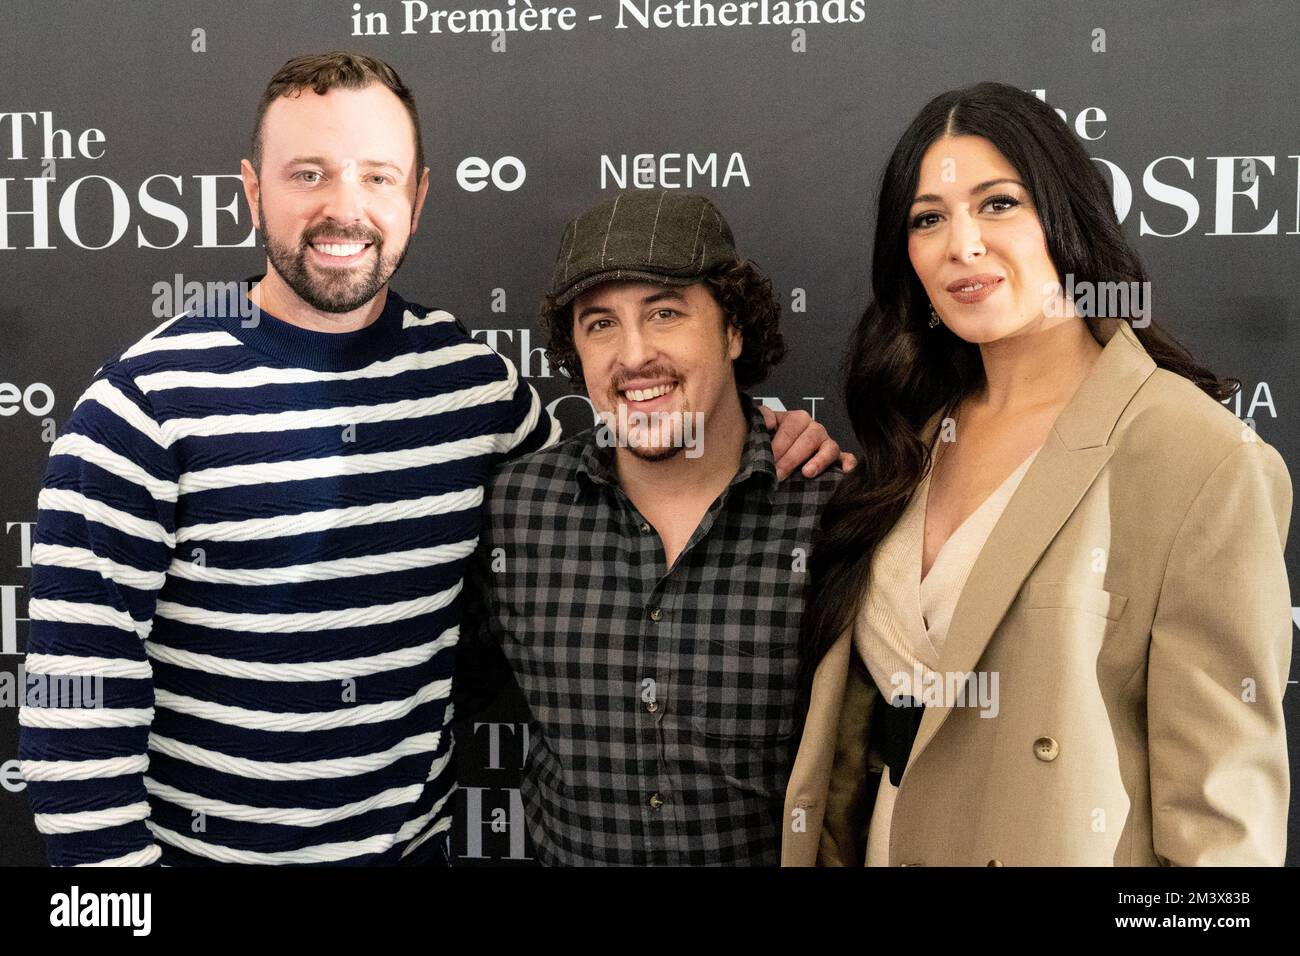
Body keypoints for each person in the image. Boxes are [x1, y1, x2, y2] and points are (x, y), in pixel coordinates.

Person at [17, 51, 840, 867]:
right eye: (309, 174)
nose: (346, 208)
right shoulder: (144, 402)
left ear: (417, 195)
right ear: (250, 190)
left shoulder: (477, 392)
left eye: (378, 176)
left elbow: (640, 453)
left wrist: (755, 433)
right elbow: (72, 705)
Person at [784, 81, 1293, 867]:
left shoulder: (1198, 459)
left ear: (1064, 215)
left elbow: (1224, 822)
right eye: (928, 219)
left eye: (997, 204)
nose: (963, 245)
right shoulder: (907, 440)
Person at [457, 189, 846, 865]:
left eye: (665, 313)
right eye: (600, 324)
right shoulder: (515, 509)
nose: (634, 356)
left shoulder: (833, 513)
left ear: (733, 328)